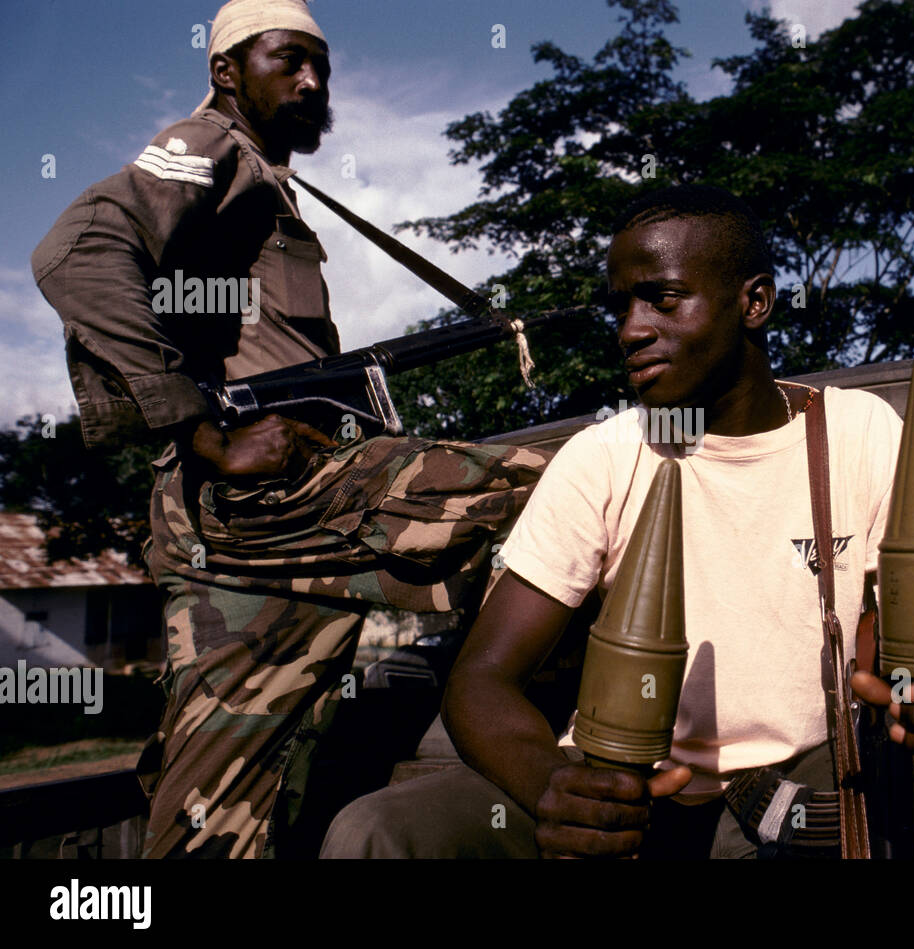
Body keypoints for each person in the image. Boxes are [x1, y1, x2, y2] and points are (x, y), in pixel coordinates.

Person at [320, 184, 914, 859]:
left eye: (663, 299)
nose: (631, 330)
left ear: (753, 302)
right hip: (634, 793)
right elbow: (483, 677)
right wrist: (553, 786)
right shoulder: (605, 456)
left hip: (821, 783)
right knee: (381, 830)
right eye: (621, 307)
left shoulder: (862, 434)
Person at [30, 0, 546, 858]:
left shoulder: (264, 175)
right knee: (567, 484)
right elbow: (74, 252)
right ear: (226, 71)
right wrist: (206, 434)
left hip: (260, 527)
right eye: (287, 61)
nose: (312, 81)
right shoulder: (210, 147)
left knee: (211, 812)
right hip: (270, 490)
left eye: (322, 66)